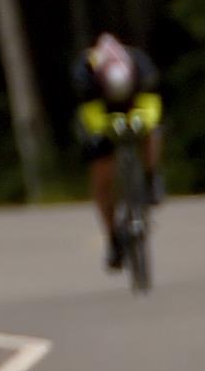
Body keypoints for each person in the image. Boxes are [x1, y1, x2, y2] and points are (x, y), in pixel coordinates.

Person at [71, 30, 165, 266]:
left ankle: (152, 177)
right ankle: (113, 236)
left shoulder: (141, 67)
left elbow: (152, 104)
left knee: (152, 132)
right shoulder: (86, 74)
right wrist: (103, 129)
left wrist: (143, 121)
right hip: (100, 112)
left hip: (135, 106)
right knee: (101, 174)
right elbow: (88, 113)